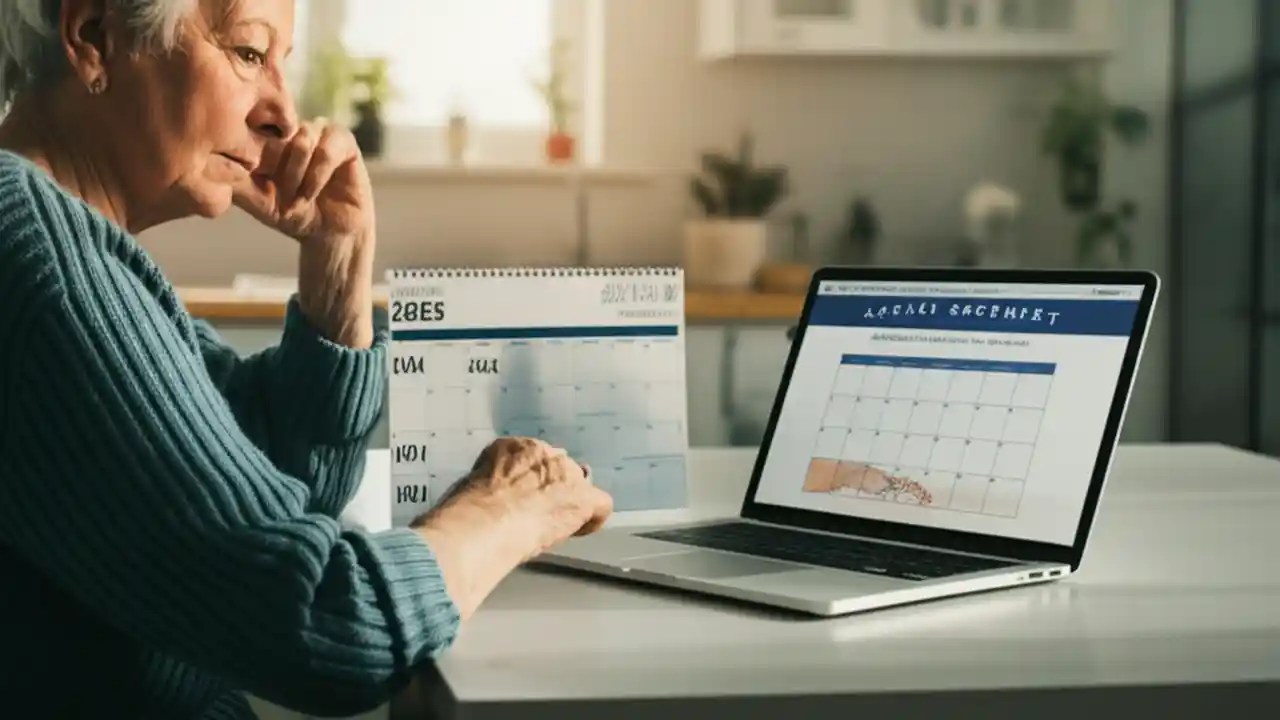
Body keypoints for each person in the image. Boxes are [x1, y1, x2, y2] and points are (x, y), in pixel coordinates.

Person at [0, 0, 613, 717]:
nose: (285, 117)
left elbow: (269, 487)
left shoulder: (64, 244)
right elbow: (323, 620)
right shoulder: (43, 270)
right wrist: (507, 510)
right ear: (95, 37)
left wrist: (338, 261)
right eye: (249, 54)